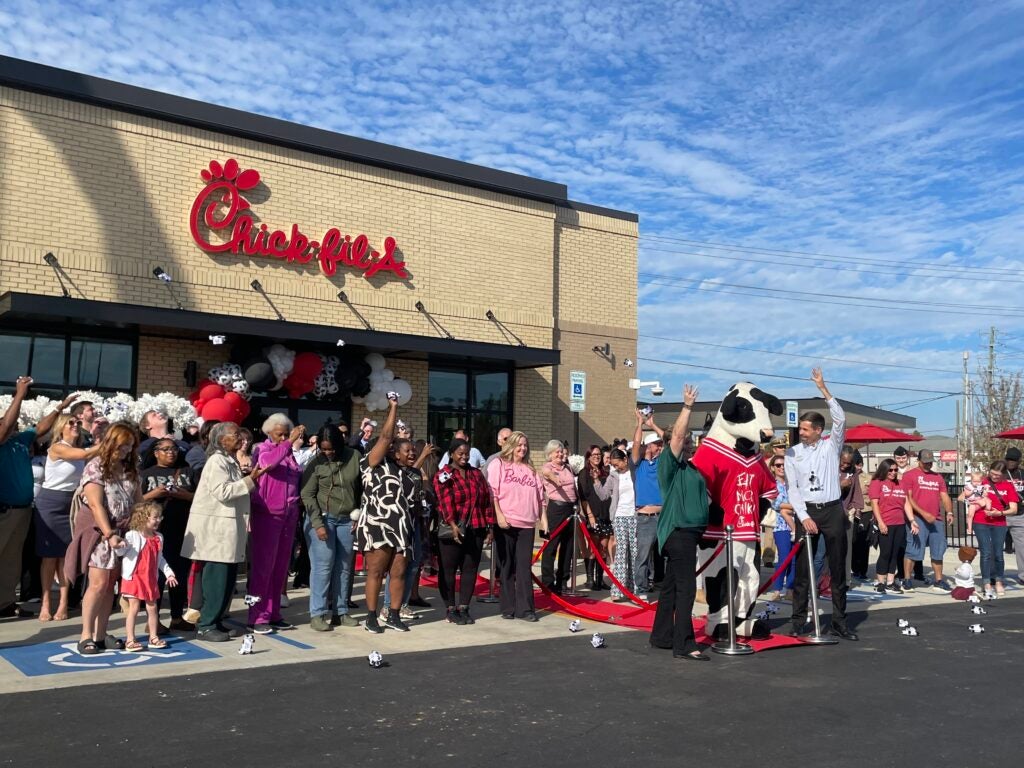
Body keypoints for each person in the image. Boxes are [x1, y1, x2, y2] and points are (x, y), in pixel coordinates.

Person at [784, 369, 857, 640]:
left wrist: (823, 389)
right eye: (800, 428)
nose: (800, 433)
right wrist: (803, 516)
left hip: (832, 509)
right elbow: (793, 488)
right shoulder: (792, 453)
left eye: (805, 429)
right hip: (808, 513)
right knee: (803, 570)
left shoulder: (830, 446)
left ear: (818, 430)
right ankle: (798, 620)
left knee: (838, 568)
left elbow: (840, 418)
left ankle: (840, 621)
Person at [181, 422, 264, 641]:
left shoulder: (229, 460)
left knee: (227, 579)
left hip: (228, 528)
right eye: (235, 435)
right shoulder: (216, 461)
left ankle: (216, 620)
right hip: (216, 531)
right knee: (216, 578)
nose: (240, 439)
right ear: (221, 440)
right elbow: (223, 491)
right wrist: (250, 480)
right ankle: (206, 625)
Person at [65, 422, 143, 654]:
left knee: (111, 585)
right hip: (101, 532)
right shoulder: (95, 467)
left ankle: (101, 634)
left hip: (125, 532)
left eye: (130, 446)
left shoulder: (130, 469)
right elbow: (97, 505)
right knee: (98, 584)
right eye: (122, 446)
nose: (126, 451)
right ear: (111, 443)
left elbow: (138, 502)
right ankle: (85, 635)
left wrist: (143, 529)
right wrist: (109, 534)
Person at [649, 384, 709, 660]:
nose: (688, 442)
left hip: (690, 533)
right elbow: (675, 437)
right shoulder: (668, 464)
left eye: (690, 440)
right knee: (686, 588)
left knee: (673, 587)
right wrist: (687, 407)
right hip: (679, 532)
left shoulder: (691, 467)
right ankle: (684, 644)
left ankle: (661, 636)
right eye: (684, 440)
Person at [1, 377, 67, 618]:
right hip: (4, 510)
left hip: (22, 510)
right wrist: (19, 394)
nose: (14, 426)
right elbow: (6, 423)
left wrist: (59, 408)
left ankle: (5, 603)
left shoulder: (19, 441)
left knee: (11, 560)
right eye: (9, 424)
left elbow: (41, 428)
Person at [356, 395, 417, 633]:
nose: (408, 452)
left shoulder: (405, 473)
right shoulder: (371, 463)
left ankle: (393, 613)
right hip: (377, 525)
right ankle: (371, 616)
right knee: (376, 571)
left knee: (399, 572)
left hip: (401, 527)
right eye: (403, 449)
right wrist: (393, 407)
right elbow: (385, 436)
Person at [35, 413, 100, 622]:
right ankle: (46, 603)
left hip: (71, 504)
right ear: (61, 427)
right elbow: (81, 455)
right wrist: (110, 442)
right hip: (50, 503)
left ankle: (63, 603)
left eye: (78, 423)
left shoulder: (82, 449)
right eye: (71, 423)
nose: (75, 425)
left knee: (66, 555)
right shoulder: (57, 447)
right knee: (48, 556)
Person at [301, 423, 362, 631]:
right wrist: (317, 524)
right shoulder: (316, 463)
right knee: (323, 567)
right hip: (322, 519)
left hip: (347, 519)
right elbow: (307, 494)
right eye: (323, 449)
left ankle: (341, 612)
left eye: (331, 448)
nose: (327, 453)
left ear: (340, 443)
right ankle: (317, 614)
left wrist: (358, 514)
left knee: (344, 568)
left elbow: (362, 487)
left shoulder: (354, 457)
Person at [247, 415, 305, 633]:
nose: (282, 437)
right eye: (278, 433)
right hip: (267, 514)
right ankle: (257, 616)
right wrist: (289, 441)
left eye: (285, 433)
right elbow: (267, 464)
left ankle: (273, 613)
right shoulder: (263, 449)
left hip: (288, 514)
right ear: (269, 433)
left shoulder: (289, 453)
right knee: (263, 567)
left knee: (280, 567)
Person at [433, 437, 494, 624]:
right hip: (452, 530)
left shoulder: (476, 474)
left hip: (476, 526)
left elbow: (486, 500)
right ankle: (451, 608)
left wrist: (490, 527)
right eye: (460, 453)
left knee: (470, 569)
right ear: (451, 454)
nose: (464, 457)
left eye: (467, 454)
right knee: (448, 570)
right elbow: (445, 502)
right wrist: (452, 524)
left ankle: (464, 607)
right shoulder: (443, 474)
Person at [487, 430, 544, 621]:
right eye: (519, 444)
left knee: (524, 567)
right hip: (506, 522)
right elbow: (492, 493)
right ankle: (508, 607)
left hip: (527, 523)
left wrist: (543, 522)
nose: (523, 448)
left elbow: (540, 498)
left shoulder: (531, 469)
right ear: (511, 445)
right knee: (507, 565)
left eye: (525, 445)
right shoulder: (498, 464)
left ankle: (526, 609)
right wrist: (499, 516)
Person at [140, 437, 196, 631]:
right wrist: (154, 494)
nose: (171, 452)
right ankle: (152, 622)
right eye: (165, 449)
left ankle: (177, 617)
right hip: (155, 533)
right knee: (157, 577)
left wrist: (182, 495)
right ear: (156, 453)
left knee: (179, 574)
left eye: (174, 449)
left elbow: (200, 497)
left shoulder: (188, 471)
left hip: (183, 530)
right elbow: (135, 501)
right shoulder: (146, 474)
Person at [116, 501, 178, 651]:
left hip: (149, 579)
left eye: (160, 517)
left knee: (152, 608)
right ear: (144, 518)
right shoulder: (132, 535)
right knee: (134, 608)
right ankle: (130, 639)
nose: (158, 520)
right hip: (134, 577)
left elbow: (160, 559)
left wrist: (169, 573)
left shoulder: (158, 538)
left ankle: (153, 637)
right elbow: (121, 553)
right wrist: (119, 546)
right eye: (155, 517)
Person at [901, 448, 953, 593]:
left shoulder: (938, 477)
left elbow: (944, 496)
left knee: (938, 550)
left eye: (930, 462)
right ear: (919, 461)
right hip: (917, 518)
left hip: (935, 520)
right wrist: (924, 514)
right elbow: (908, 499)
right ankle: (907, 580)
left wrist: (949, 512)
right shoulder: (909, 475)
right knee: (914, 550)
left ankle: (938, 580)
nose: (928, 465)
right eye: (925, 462)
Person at [630, 412, 665, 598]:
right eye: (655, 444)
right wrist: (640, 423)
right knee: (643, 555)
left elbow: (670, 445)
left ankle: (660, 582)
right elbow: (636, 444)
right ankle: (641, 588)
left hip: (663, 516)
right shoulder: (638, 464)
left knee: (664, 554)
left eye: (659, 445)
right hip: (645, 518)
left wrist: (653, 426)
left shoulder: (662, 462)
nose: (659, 447)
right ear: (648, 446)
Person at [973, 460, 1019, 598]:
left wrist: (1000, 513)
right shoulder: (982, 482)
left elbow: (1014, 509)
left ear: (1003, 474)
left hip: (999, 522)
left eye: (998, 475)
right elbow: (969, 497)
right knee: (986, 553)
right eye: (992, 473)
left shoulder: (1008, 486)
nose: (994, 477)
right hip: (981, 521)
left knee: (998, 554)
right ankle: (987, 582)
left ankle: (999, 580)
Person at [539, 439, 578, 595]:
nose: (561, 454)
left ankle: (563, 581)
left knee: (568, 546)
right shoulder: (548, 467)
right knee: (552, 545)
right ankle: (548, 582)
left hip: (571, 509)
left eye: (562, 451)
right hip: (557, 509)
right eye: (557, 452)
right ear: (550, 454)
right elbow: (547, 473)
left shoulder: (568, 467)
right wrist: (556, 480)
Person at [869, 459, 912, 593]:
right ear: (884, 469)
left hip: (899, 523)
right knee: (885, 553)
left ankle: (890, 581)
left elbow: (906, 503)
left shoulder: (901, 484)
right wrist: (880, 522)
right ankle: (880, 582)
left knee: (895, 553)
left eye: (895, 470)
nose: (893, 473)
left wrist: (912, 520)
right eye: (890, 470)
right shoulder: (877, 483)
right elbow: (874, 504)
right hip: (885, 522)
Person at [577, 444, 614, 590]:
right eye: (594, 455)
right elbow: (584, 497)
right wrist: (590, 516)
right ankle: (590, 579)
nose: (597, 457)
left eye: (599, 454)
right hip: (593, 515)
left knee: (603, 547)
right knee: (593, 547)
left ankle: (600, 579)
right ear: (588, 457)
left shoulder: (605, 472)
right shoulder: (584, 473)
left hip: (606, 515)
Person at [764, 453, 796, 601]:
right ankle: (777, 589)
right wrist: (794, 506)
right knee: (784, 558)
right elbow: (775, 504)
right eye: (778, 465)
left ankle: (790, 589)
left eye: (783, 465)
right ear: (772, 468)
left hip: (795, 524)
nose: (781, 468)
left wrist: (793, 507)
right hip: (780, 526)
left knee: (795, 558)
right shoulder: (771, 484)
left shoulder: (792, 484)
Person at [607, 448, 637, 601]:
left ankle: (634, 588)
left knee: (634, 552)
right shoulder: (613, 476)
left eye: (617, 464)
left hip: (634, 515)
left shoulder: (635, 472)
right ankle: (617, 590)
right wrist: (596, 481)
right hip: (619, 515)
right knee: (621, 553)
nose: (615, 467)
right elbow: (603, 493)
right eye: (613, 465)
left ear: (625, 460)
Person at [1002, 448, 1024, 584]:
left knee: (1022, 547)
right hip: (1001, 514)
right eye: (1008, 459)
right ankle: (996, 575)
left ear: (1018, 461)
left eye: (1013, 460)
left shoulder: (1022, 473)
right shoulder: (1000, 474)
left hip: (1019, 514)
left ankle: (1023, 575)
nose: (1010, 462)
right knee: (996, 547)